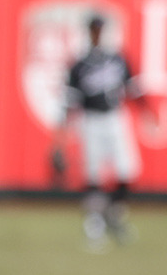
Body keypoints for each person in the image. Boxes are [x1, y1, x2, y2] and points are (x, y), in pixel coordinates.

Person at [63, 14, 148, 250]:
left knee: (127, 171)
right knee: (93, 175)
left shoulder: (116, 59)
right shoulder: (80, 65)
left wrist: (148, 112)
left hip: (115, 118)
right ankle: (95, 224)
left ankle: (113, 214)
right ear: (89, 32)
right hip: (91, 120)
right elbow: (70, 102)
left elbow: (133, 89)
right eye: (94, 29)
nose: (97, 33)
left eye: (100, 29)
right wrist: (61, 138)